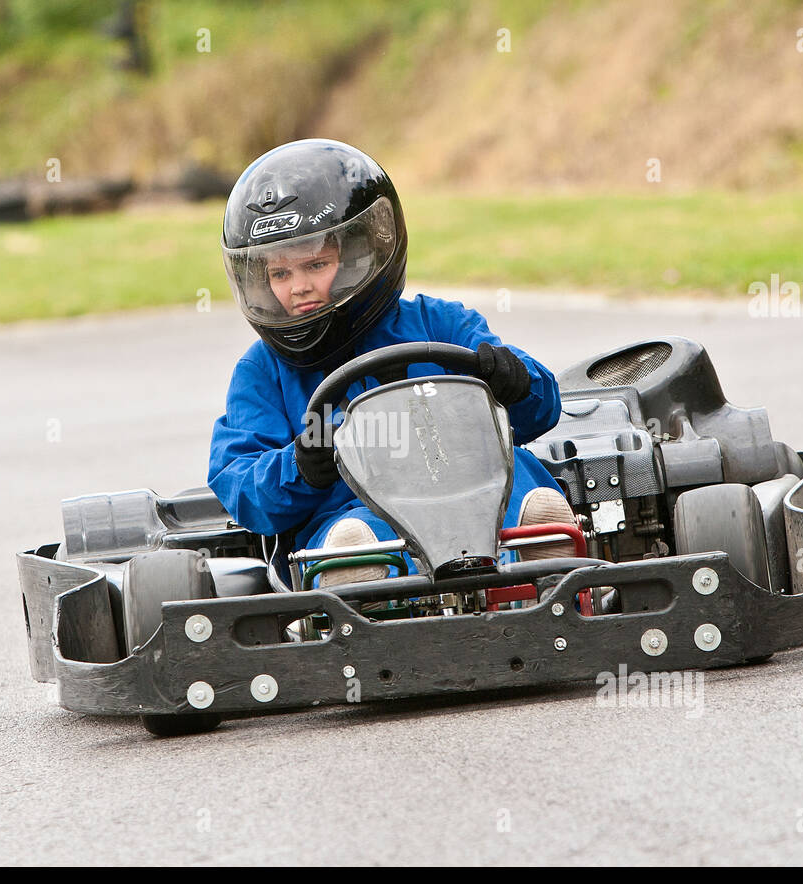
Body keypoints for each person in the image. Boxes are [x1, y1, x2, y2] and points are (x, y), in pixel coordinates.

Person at [209, 139, 577, 585]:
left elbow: (540, 408)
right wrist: (301, 467)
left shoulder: (441, 324)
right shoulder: (262, 372)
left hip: (479, 495)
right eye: (280, 274)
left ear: (360, 253)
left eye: (316, 264)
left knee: (516, 480)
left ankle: (543, 562)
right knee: (353, 539)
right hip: (356, 514)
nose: (299, 287)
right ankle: (365, 590)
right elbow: (238, 482)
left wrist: (515, 380)